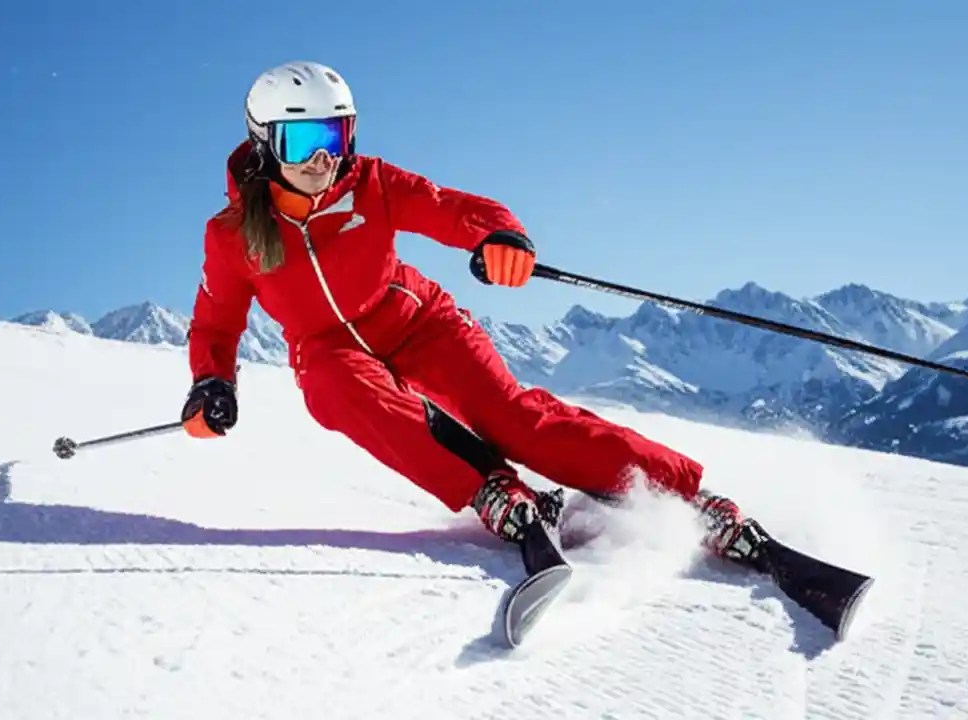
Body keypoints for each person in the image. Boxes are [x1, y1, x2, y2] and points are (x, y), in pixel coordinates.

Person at [181, 60, 753, 563]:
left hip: (413, 320)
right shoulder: (232, 235)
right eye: (303, 141)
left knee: (516, 421)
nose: (323, 158)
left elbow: (451, 209)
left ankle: (685, 498)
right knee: (331, 385)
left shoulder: (371, 183)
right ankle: (493, 489)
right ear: (264, 142)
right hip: (329, 348)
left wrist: (498, 236)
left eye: (335, 134)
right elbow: (216, 320)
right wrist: (211, 381)